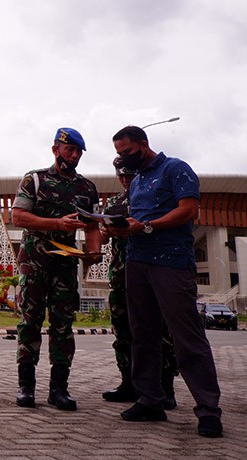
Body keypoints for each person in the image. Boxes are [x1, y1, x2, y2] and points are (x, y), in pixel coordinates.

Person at [108, 125, 223, 438]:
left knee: (187, 337)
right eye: (119, 154)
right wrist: (117, 229)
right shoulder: (138, 180)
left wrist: (144, 227)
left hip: (171, 264)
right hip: (137, 263)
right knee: (142, 335)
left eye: (128, 152)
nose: (124, 159)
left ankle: (208, 410)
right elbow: (135, 220)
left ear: (144, 145)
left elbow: (188, 210)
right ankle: (150, 400)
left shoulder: (176, 169)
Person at [11, 127, 102, 411]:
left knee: (63, 326)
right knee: (30, 321)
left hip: (65, 264)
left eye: (78, 152)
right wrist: (56, 224)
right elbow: (18, 216)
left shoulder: (86, 188)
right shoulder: (35, 179)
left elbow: (92, 226)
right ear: (55, 149)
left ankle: (59, 389)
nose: (74, 156)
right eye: (69, 150)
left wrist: (94, 251)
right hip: (35, 261)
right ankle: (26, 388)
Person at [100, 157, 178, 409]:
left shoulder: (153, 196)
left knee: (160, 333)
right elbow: (102, 240)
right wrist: (103, 233)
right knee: (122, 331)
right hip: (121, 276)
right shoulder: (114, 203)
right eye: (120, 175)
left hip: (151, 272)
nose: (125, 179)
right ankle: (128, 383)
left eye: (129, 174)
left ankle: (165, 387)